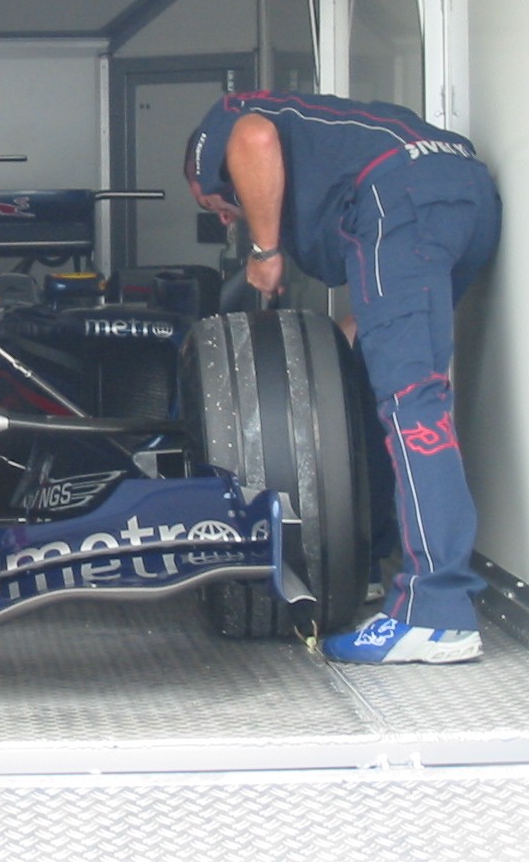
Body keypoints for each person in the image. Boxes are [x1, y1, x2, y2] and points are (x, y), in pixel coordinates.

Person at [185, 90, 502, 664]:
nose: (223, 216)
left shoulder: (223, 129)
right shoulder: (324, 134)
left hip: (399, 196)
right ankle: (381, 560)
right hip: (463, 191)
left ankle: (436, 610)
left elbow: (252, 139)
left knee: (411, 401)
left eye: (215, 206)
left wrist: (264, 249)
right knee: (379, 378)